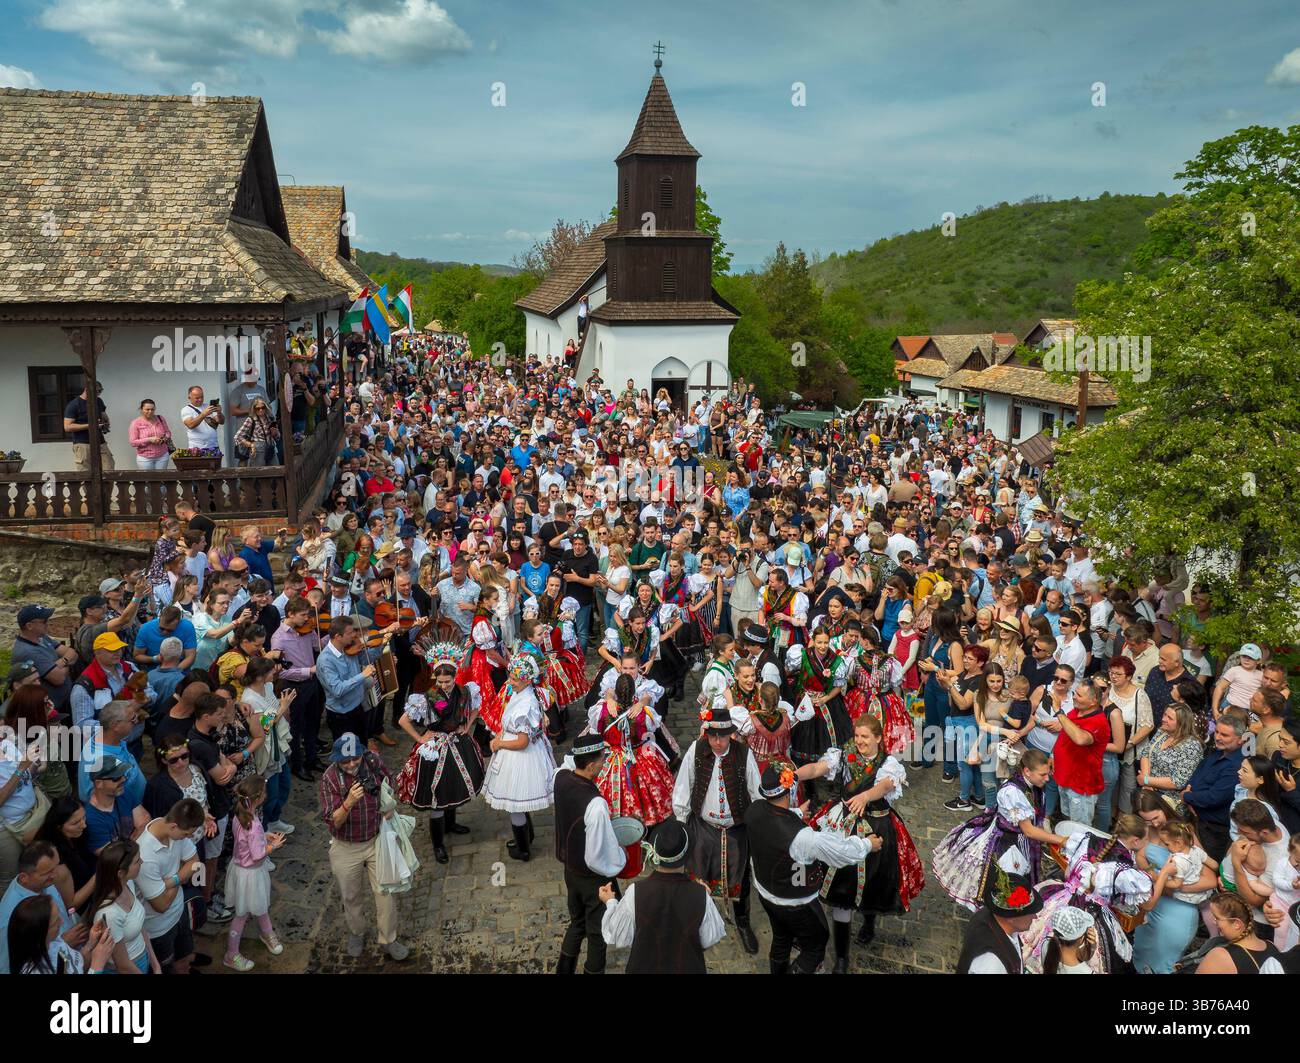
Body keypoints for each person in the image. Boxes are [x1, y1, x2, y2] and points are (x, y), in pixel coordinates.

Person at [803, 714, 925, 970]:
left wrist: (865, 797)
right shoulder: (843, 755)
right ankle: (842, 957)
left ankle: (869, 921)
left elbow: (885, 786)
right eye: (857, 736)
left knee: (875, 878)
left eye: (865, 737)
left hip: (878, 827)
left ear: (878, 738)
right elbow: (817, 769)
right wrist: (794, 775)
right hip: (844, 826)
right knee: (842, 885)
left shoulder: (889, 763)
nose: (859, 741)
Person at [744, 763, 874, 974]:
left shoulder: (753, 810)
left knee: (781, 939)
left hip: (765, 893)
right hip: (796, 902)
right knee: (815, 945)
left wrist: (795, 812)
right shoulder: (802, 837)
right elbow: (841, 852)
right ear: (789, 790)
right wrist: (868, 844)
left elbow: (772, 816)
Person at [671, 706, 763, 954]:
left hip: (736, 829)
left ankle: (742, 923)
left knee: (741, 879)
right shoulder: (697, 750)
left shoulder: (744, 754)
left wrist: (760, 824)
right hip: (703, 827)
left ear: (731, 735)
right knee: (698, 877)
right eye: (713, 736)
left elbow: (756, 791)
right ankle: (696, 922)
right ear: (707, 734)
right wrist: (682, 822)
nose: (718, 742)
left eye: (723, 736)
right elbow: (683, 785)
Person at [931, 748, 1067, 909]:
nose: (1047, 778)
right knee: (1003, 882)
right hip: (1006, 843)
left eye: (1048, 772)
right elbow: (1028, 830)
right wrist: (1061, 840)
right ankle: (998, 913)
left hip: (1021, 840)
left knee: (1018, 883)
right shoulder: (1013, 792)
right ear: (1027, 771)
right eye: (1042, 774)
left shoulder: (1033, 785)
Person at [1019, 816, 1153, 974]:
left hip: (1062, 896)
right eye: (1147, 839)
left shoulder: (1087, 840)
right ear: (1136, 841)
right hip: (1090, 912)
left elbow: (1069, 872)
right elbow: (1147, 903)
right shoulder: (1123, 869)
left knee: (1041, 936)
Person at [318, 733, 409, 961]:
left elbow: (391, 782)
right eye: (345, 761)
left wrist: (390, 804)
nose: (351, 765)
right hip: (346, 846)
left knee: (386, 892)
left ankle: (389, 939)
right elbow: (333, 821)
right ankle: (357, 932)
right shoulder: (330, 779)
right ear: (337, 759)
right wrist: (348, 802)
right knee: (351, 895)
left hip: (377, 840)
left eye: (354, 759)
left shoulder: (372, 761)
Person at [394, 648, 486, 864]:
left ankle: (451, 824)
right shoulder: (429, 696)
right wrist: (420, 739)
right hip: (435, 748)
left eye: (447, 681)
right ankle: (438, 844)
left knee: (453, 785)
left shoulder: (464, 692)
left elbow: (475, 709)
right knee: (437, 794)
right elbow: (403, 721)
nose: (443, 685)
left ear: (455, 676)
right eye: (440, 681)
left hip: (458, 743)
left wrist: (468, 725)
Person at [598, 818, 725, 972]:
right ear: (688, 855)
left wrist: (611, 902)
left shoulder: (635, 892)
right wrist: (702, 898)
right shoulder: (701, 894)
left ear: (655, 852)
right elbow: (708, 939)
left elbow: (618, 936)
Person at [552, 730, 626, 974]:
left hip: (570, 871)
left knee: (576, 924)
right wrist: (620, 860)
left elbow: (565, 763)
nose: (605, 764)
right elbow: (597, 857)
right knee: (597, 935)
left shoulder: (561, 778)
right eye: (603, 760)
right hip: (593, 879)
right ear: (592, 767)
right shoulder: (595, 804)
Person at [483, 654, 555, 862]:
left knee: (515, 803)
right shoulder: (524, 692)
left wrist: (499, 744)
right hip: (521, 751)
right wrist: (500, 734)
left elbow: (522, 742)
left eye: (513, 679)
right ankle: (527, 837)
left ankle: (523, 850)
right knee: (519, 802)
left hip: (521, 756)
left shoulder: (526, 705)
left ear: (525, 679)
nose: (508, 682)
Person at [135, 798, 206, 974]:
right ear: (174, 826)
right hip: (159, 929)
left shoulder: (173, 831)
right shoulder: (145, 855)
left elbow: (194, 862)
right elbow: (161, 905)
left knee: (184, 958)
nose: (187, 838)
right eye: (186, 835)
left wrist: (169, 882)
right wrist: (180, 878)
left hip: (179, 911)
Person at [223, 775, 285, 971]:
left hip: (241, 869)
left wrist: (263, 836)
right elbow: (258, 855)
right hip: (250, 874)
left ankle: (267, 933)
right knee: (241, 915)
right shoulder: (253, 823)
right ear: (259, 797)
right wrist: (273, 845)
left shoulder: (242, 814)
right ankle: (231, 955)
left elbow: (247, 840)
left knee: (260, 905)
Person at [954, 846, 1044, 973]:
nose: (1035, 916)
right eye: (1030, 912)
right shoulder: (992, 964)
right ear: (1012, 918)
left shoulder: (986, 915)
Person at [0, 840, 84, 974]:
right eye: (48, 872)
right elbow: (8, 967)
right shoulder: (10, 918)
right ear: (24, 877)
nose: (55, 875)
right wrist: (62, 944)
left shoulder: (42, 882)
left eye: (56, 866)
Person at [1182, 708, 1248, 862]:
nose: (1217, 737)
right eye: (1217, 732)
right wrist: (1189, 791)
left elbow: (1215, 797)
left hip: (1213, 830)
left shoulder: (1236, 765)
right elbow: (1198, 772)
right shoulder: (1218, 752)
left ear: (1240, 740)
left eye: (1224, 735)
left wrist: (1188, 796)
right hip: (1198, 821)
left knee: (1206, 867)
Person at [86, 838, 159, 973]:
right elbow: (123, 965)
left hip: (142, 959)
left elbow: (141, 927)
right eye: (137, 861)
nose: (141, 862)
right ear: (121, 873)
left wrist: (155, 964)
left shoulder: (128, 884)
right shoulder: (110, 913)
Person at [6, 893, 115, 974]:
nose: (61, 922)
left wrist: (90, 944)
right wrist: (97, 966)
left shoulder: (54, 941)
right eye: (56, 921)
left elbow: (76, 968)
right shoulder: (35, 971)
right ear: (42, 933)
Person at [1194, 890, 1286, 973]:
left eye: (1217, 918)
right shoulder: (1273, 947)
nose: (1214, 922)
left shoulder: (1220, 956)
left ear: (1237, 924)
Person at [63, 381, 114, 471]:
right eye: (97, 391)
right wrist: (91, 425)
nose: (99, 394)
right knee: (85, 473)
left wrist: (105, 422)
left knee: (109, 468)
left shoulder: (98, 401)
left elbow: (103, 414)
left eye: (100, 391)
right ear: (87, 390)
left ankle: (106, 485)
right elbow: (67, 427)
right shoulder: (74, 404)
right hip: (82, 443)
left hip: (100, 441)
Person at [128, 399, 173, 470]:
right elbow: (133, 442)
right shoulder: (135, 423)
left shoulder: (160, 418)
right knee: (148, 480)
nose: (150, 411)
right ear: (141, 409)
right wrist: (149, 439)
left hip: (162, 455)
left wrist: (165, 438)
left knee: (161, 478)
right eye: (147, 409)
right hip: (145, 458)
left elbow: (168, 432)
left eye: (152, 409)